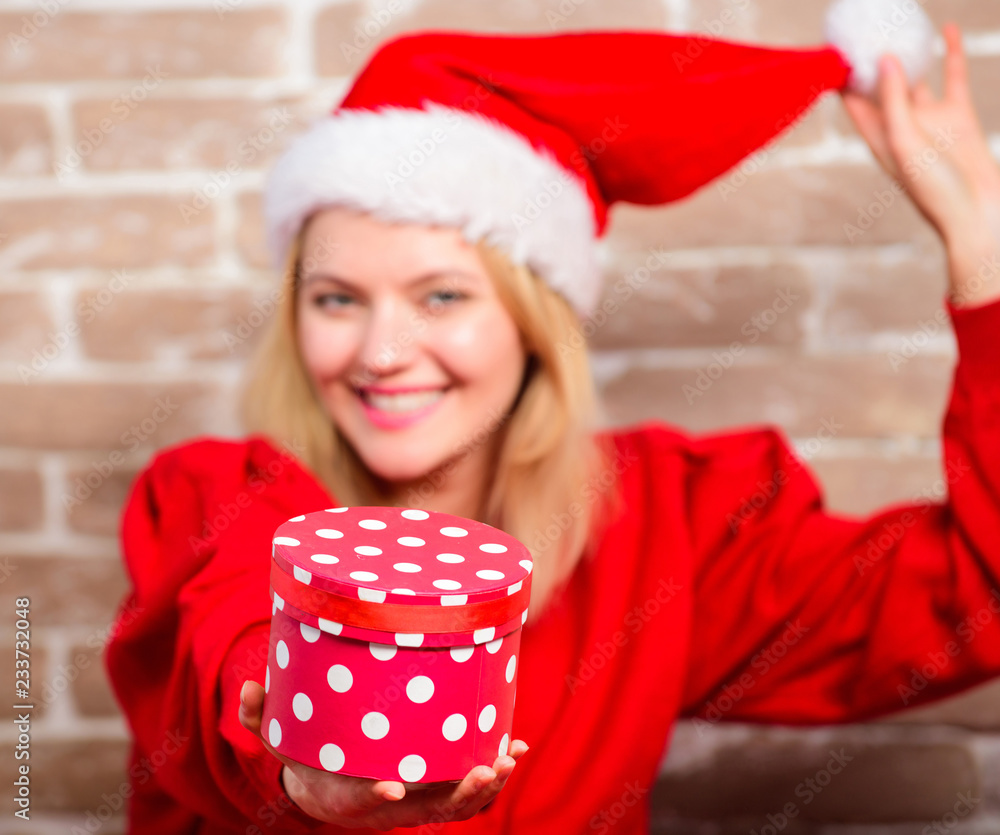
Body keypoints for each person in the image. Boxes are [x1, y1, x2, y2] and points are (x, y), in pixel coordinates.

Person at [105, 11, 1000, 835]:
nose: (380, 351)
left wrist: (984, 254)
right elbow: (222, 652)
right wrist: (303, 757)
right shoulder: (218, 503)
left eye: (441, 295)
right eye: (336, 298)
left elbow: (971, 601)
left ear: (535, 323)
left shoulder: (661, 529)